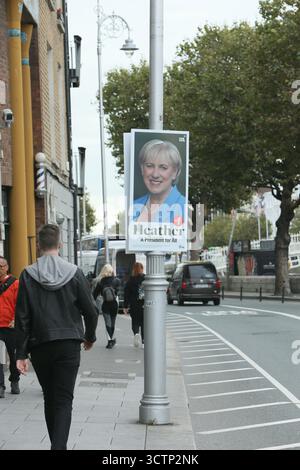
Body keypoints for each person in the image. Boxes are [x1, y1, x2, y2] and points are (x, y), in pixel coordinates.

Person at [15, 224, 98, 451]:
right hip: (69, 344)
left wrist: (20, 354)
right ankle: (58, 447)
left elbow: (22, 317)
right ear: (60, 245)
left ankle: (56, 445)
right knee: (63, 400)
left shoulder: (27, 275)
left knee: (50, 398)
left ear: (38, 245)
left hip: (40, 345)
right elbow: (91, 310)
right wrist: (89, 336)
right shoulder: (74, 273)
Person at [133, 139, 186, 225]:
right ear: (142, 169)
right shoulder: (133, 205)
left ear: (175, 172)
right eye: (149, 166)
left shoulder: (185, 207)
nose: (155, 174)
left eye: (163, 167)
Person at [0, 256, 20, 399]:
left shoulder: (15, 283)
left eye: (1, 266)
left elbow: (20, 304)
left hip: (10, 326)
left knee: (13, 356)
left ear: (7, 267)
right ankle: (0, 386)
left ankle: (14, 380)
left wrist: (15, 319)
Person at [93, 264, 120, 349]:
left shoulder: (100, 282)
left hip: (105, 305)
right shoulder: (116, 281)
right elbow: (118, 291)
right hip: (114, 305)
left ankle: (109, 341)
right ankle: (112, 339)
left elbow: (94, 295)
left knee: (107, 323)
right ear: (111, 271)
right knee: (113, 323)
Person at [123, 262, 145, 348]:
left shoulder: (130, 280)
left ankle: (136, 333)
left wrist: (125, 306)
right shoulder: (146, 278)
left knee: (135, 322)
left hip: (134, 305)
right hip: (144, 305)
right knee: (144, 324)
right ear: (142, 268)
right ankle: (143, 342)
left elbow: (126, 294)